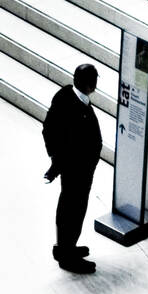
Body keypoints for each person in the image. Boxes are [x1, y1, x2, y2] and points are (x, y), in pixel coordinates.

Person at [42, 64, 102, 274]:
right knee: (73, 210)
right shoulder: (68, 101)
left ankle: (65, 247)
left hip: (80, 169)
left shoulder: (69, 96)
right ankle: (67, 256)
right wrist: (58, 160)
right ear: (89, 83)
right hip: (76, 170)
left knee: (71, 207)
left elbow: (49, 128)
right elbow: (49, 130)